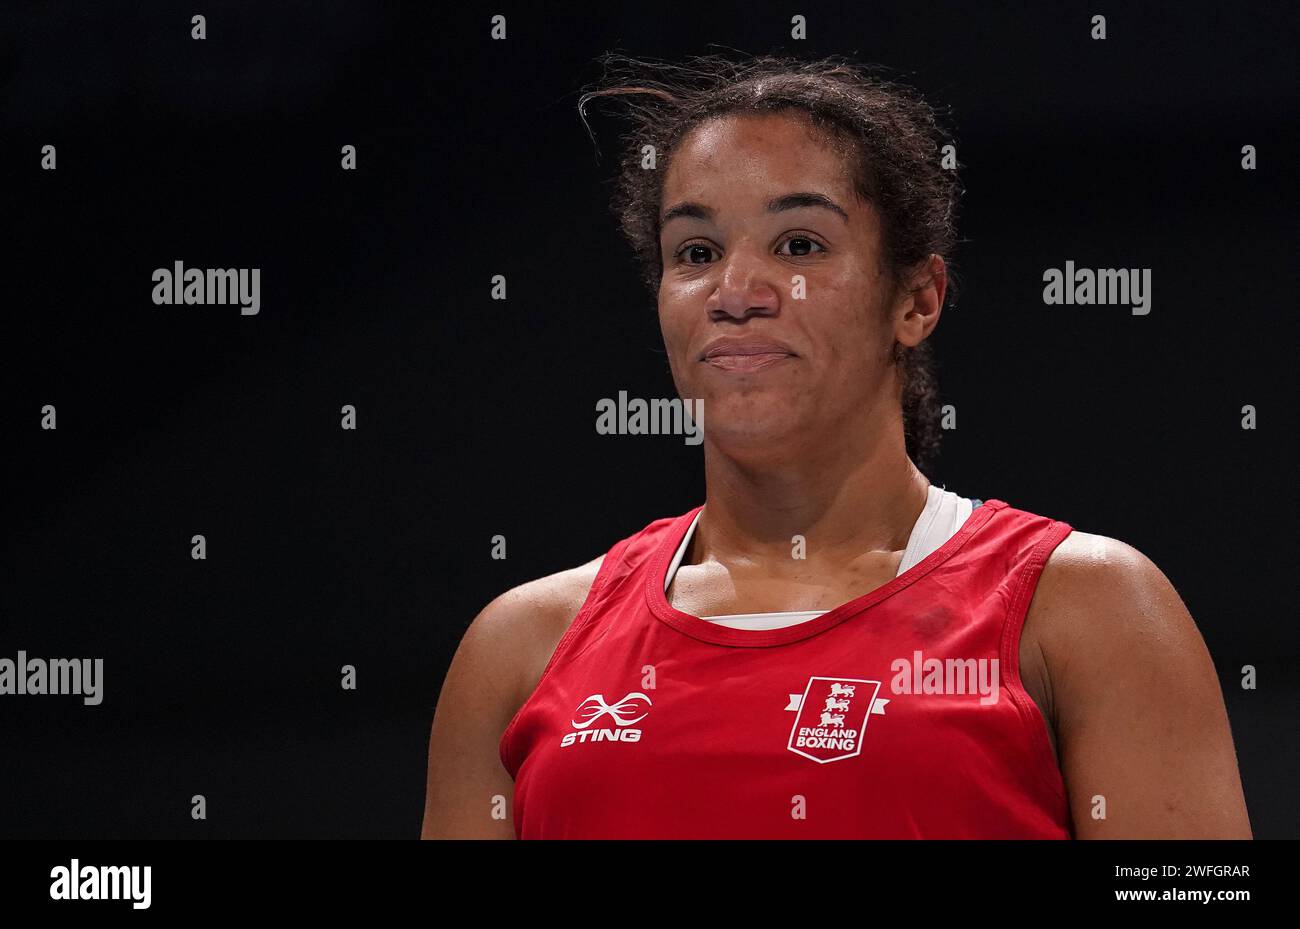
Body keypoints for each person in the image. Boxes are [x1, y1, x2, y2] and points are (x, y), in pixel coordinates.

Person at [421, 53, 1251, 839]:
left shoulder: (1085, 612)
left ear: (917, 299)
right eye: (697, 252)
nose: (736, 293)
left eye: (800, 246)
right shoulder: (522, 649)